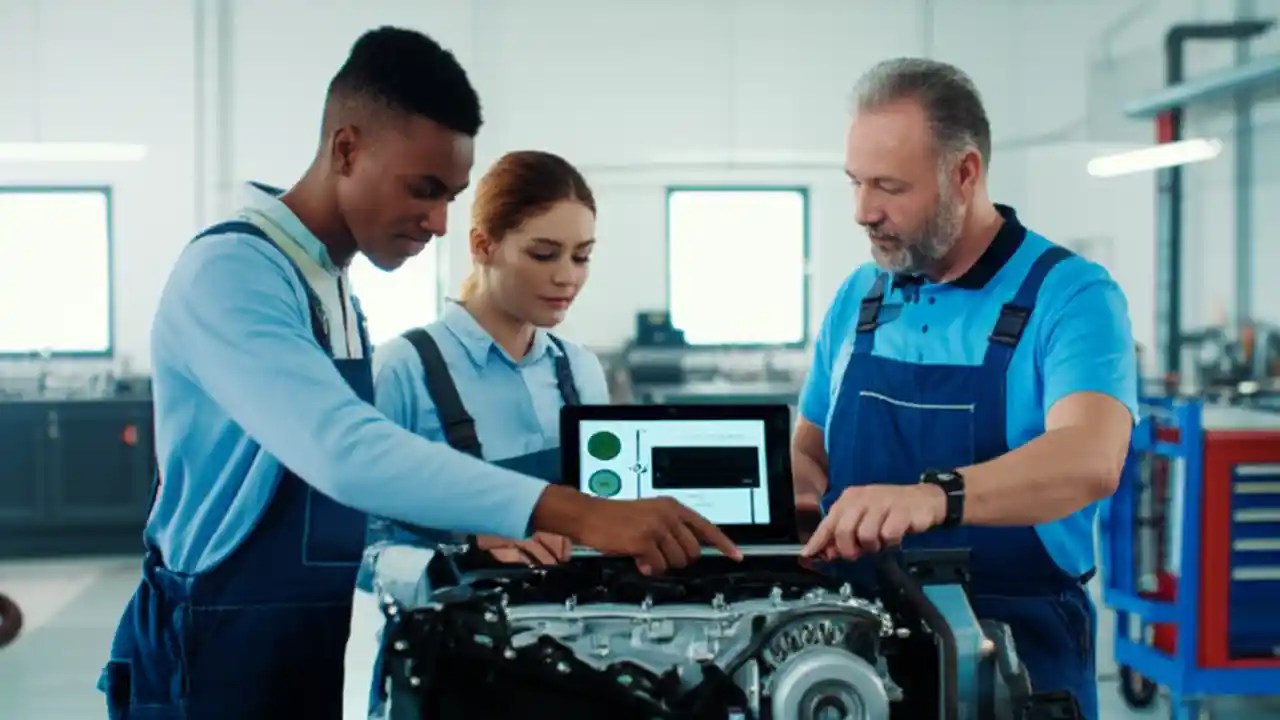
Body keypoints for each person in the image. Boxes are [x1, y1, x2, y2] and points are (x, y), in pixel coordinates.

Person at [100, 27, 738, 720]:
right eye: (423, 190)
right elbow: (344, 451)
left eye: (451, 196)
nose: (438, 222)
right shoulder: (233, 272)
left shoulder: (331, 288)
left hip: (302, 638)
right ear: (347, 149)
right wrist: (580, 511)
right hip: (213, 650)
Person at [793, 58, 1137, 720]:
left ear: (965, 173)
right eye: (856, 183)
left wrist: (934, 498)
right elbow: (812, 447)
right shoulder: (858, 297)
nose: (864, 211)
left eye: (890, 186)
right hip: (853, 647)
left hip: (1015, 652)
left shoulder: (1071, 297)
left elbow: (1091, 457)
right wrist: (797, 494)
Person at [343, 149, 607, 717]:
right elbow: (348, 548)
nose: (567, 276)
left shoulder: (581, 372)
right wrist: (461, 548)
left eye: (582, 257)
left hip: (573, 666)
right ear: (482, 245)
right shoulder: (403, 371)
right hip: (449, 671)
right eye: (544, 253)